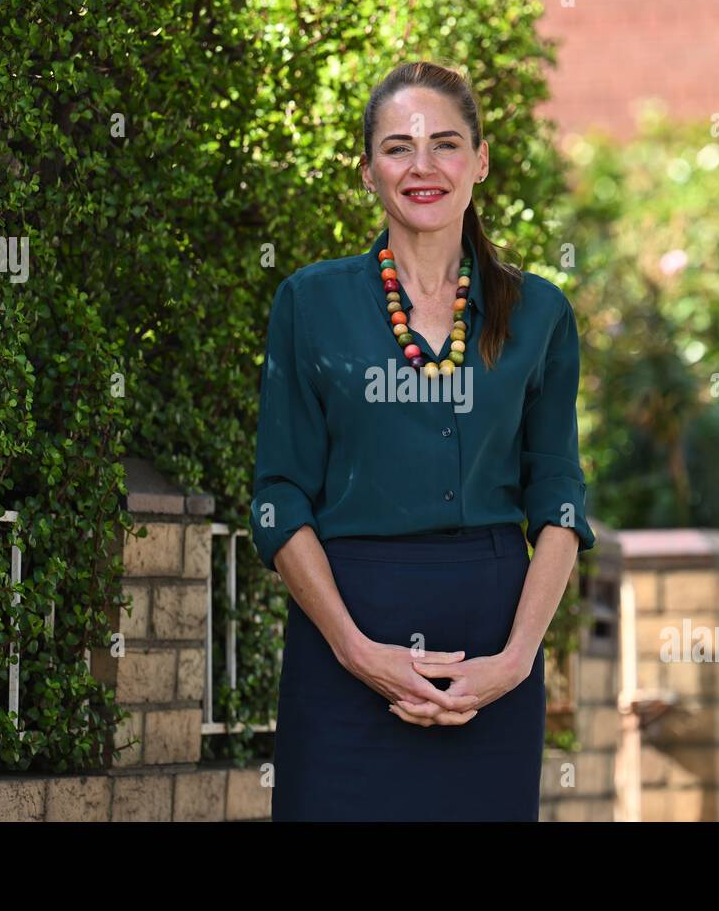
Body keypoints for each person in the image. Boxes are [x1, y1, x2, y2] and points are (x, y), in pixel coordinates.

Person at [249, 60, 596, 821]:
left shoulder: (539, 314)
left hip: (492, 654)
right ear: (368, 170)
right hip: (347, 646)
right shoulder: (310, 302)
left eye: (444, 144)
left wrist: (514, 663)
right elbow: (278, 497)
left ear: (478, 162)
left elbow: (560, 503)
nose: (423, 166)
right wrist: (353, 650)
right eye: (398, 148)